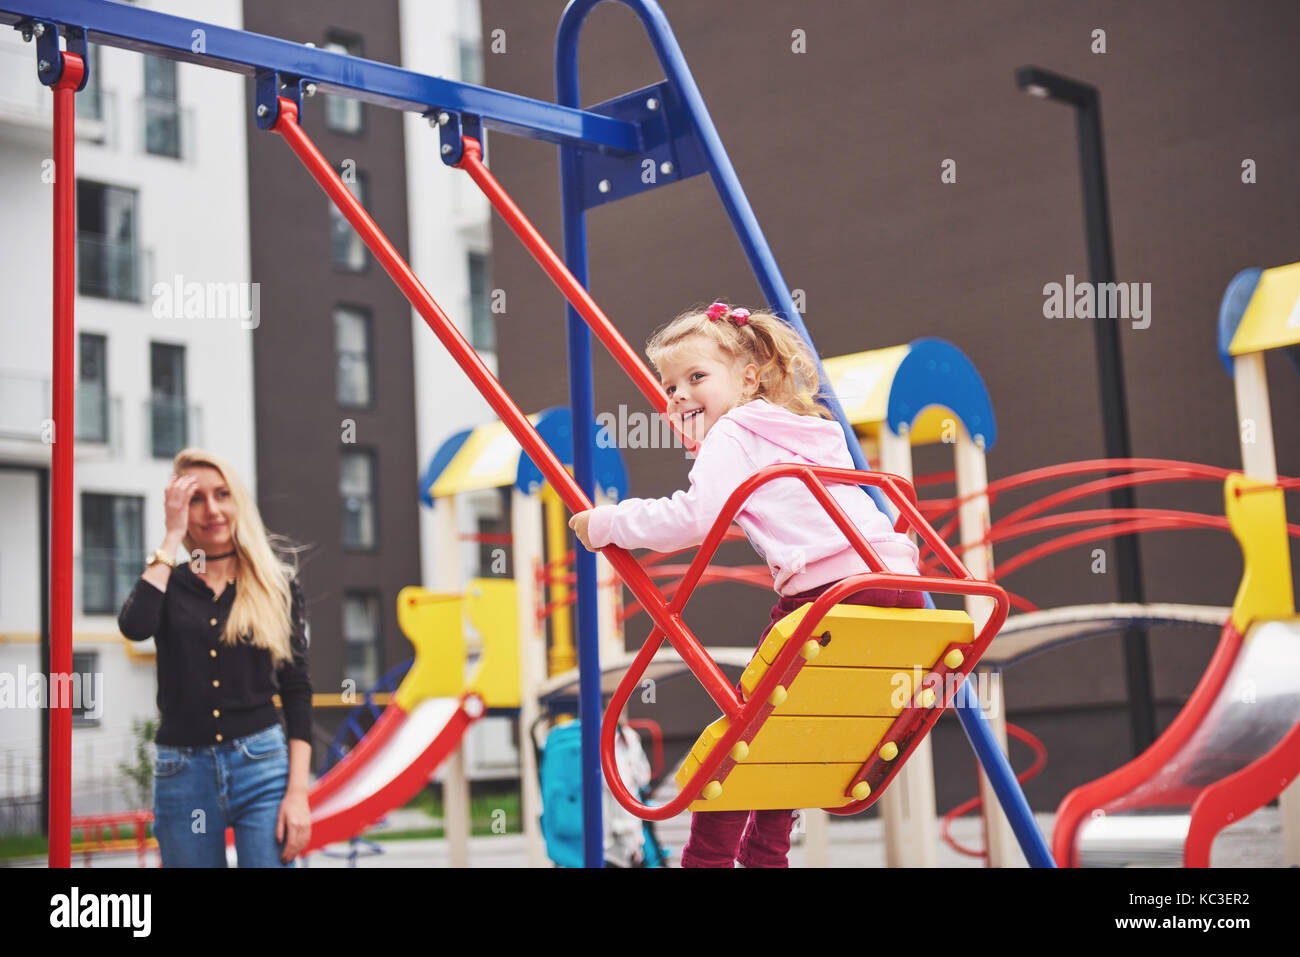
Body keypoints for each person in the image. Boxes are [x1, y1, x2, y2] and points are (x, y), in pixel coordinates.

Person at [569, 302, 925, 868]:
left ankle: (707, 861)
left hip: (832, 591)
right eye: (669, 386)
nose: (679, 395)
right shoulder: (809, 431)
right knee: (781, 733)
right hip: (901, 586)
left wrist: (607, 522)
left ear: (747, 379)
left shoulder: (731, 430)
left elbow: (695, 518)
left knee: (740, 736)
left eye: (696, 377)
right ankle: (766, 855)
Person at [118, 448, 313, 867]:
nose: (212, 510)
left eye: (222, 494)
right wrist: (170, 538)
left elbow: (297, 691)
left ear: (237, 500)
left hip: (262, 767)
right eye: (195, 499)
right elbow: (134, 626)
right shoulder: (168, 582)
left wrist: (298, 793)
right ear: (179, 510)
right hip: (183, 774)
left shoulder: (276, 585)